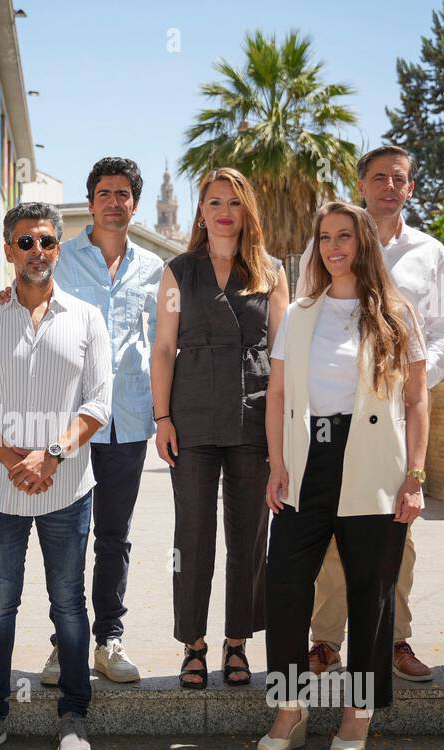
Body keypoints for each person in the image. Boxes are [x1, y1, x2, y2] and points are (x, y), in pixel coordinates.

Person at [260, 201, 428, 750]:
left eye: (345, 237)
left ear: (364, 244)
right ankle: (290, 705)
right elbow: (278, 396)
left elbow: (417, 399)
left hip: (375, 465)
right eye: (325, 237)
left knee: (370, 591)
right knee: (283, 582)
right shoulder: (301, 313)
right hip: (308, 461)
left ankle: (359, 710)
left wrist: (416, 477)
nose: (334, 247)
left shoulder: (397, 313)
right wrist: (277, 464)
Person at [0, 202, 112, 750]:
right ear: (8, 249)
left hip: (67, 488)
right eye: (25, 242)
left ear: (58, 248)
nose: (37, 251)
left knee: (69, 606)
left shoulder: (87, 318)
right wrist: (11, 460)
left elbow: (98, 403)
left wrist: (48, 457)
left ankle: (73, 716)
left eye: (47, 241)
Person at [296, 145, 444, 682]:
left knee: (397, 534)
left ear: (411, 188)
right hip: (331, 421)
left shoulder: (428, 252)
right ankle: (325, 642)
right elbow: (304, 322)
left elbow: (441, 328)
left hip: (391, 420)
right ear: (361, 184)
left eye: (400, 179)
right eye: (379, 178)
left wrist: (414, 381)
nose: (390, 186)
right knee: (332, 539)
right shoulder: (326, 245)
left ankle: (395, 640)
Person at [151, 168, 288, 688]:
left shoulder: (271, 272)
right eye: (213, 201)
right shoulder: (177, 272)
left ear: (246, 209)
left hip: (253, 416)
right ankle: (193, 642)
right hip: (190, 418)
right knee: (193, 533)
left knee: (249, 535)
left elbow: (282, 357)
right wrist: (162, 417)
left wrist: (280, 443)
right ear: (201, 212)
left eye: (233, 201)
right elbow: (164, 349)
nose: (224, 210)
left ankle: (236, 641)